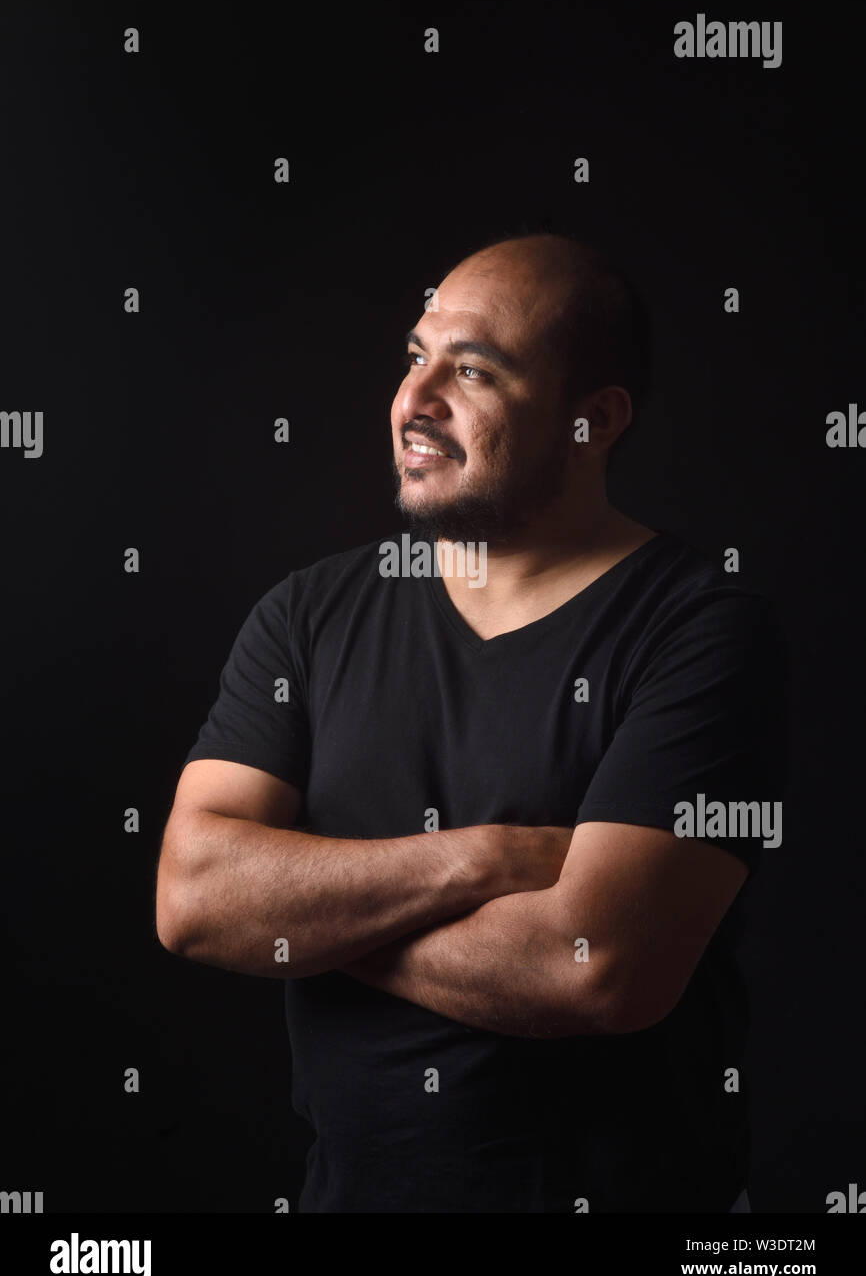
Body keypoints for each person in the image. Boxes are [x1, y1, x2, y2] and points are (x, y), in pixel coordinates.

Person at [156, 232, 786, 1213]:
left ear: (592, 421)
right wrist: (484, 860)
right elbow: (193, 897)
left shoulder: (698, 626)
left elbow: (595, 970)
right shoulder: (307, 616)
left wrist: (301, 912)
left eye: (475, 370)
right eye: (416, 356)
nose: (415, 399)